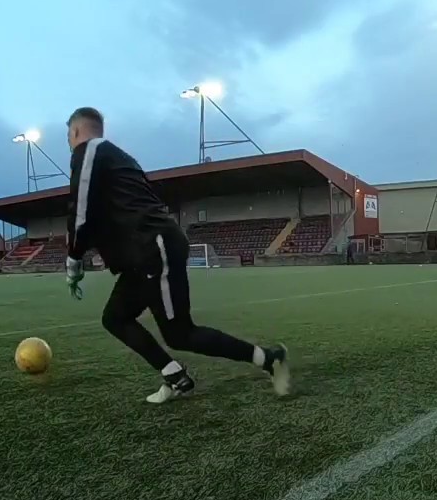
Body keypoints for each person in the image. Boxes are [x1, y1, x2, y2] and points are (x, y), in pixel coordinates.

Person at [63, 107, 290, 404]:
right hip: (142, 252)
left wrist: (73, 259)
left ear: (77, 131)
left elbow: (80, 212)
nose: (68, 142)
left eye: (68, 135)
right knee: (115, 317)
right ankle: (175, 376)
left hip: (153, 247)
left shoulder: (88, 151)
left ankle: (269, 358)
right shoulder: (117, 157)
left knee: (180, 333)